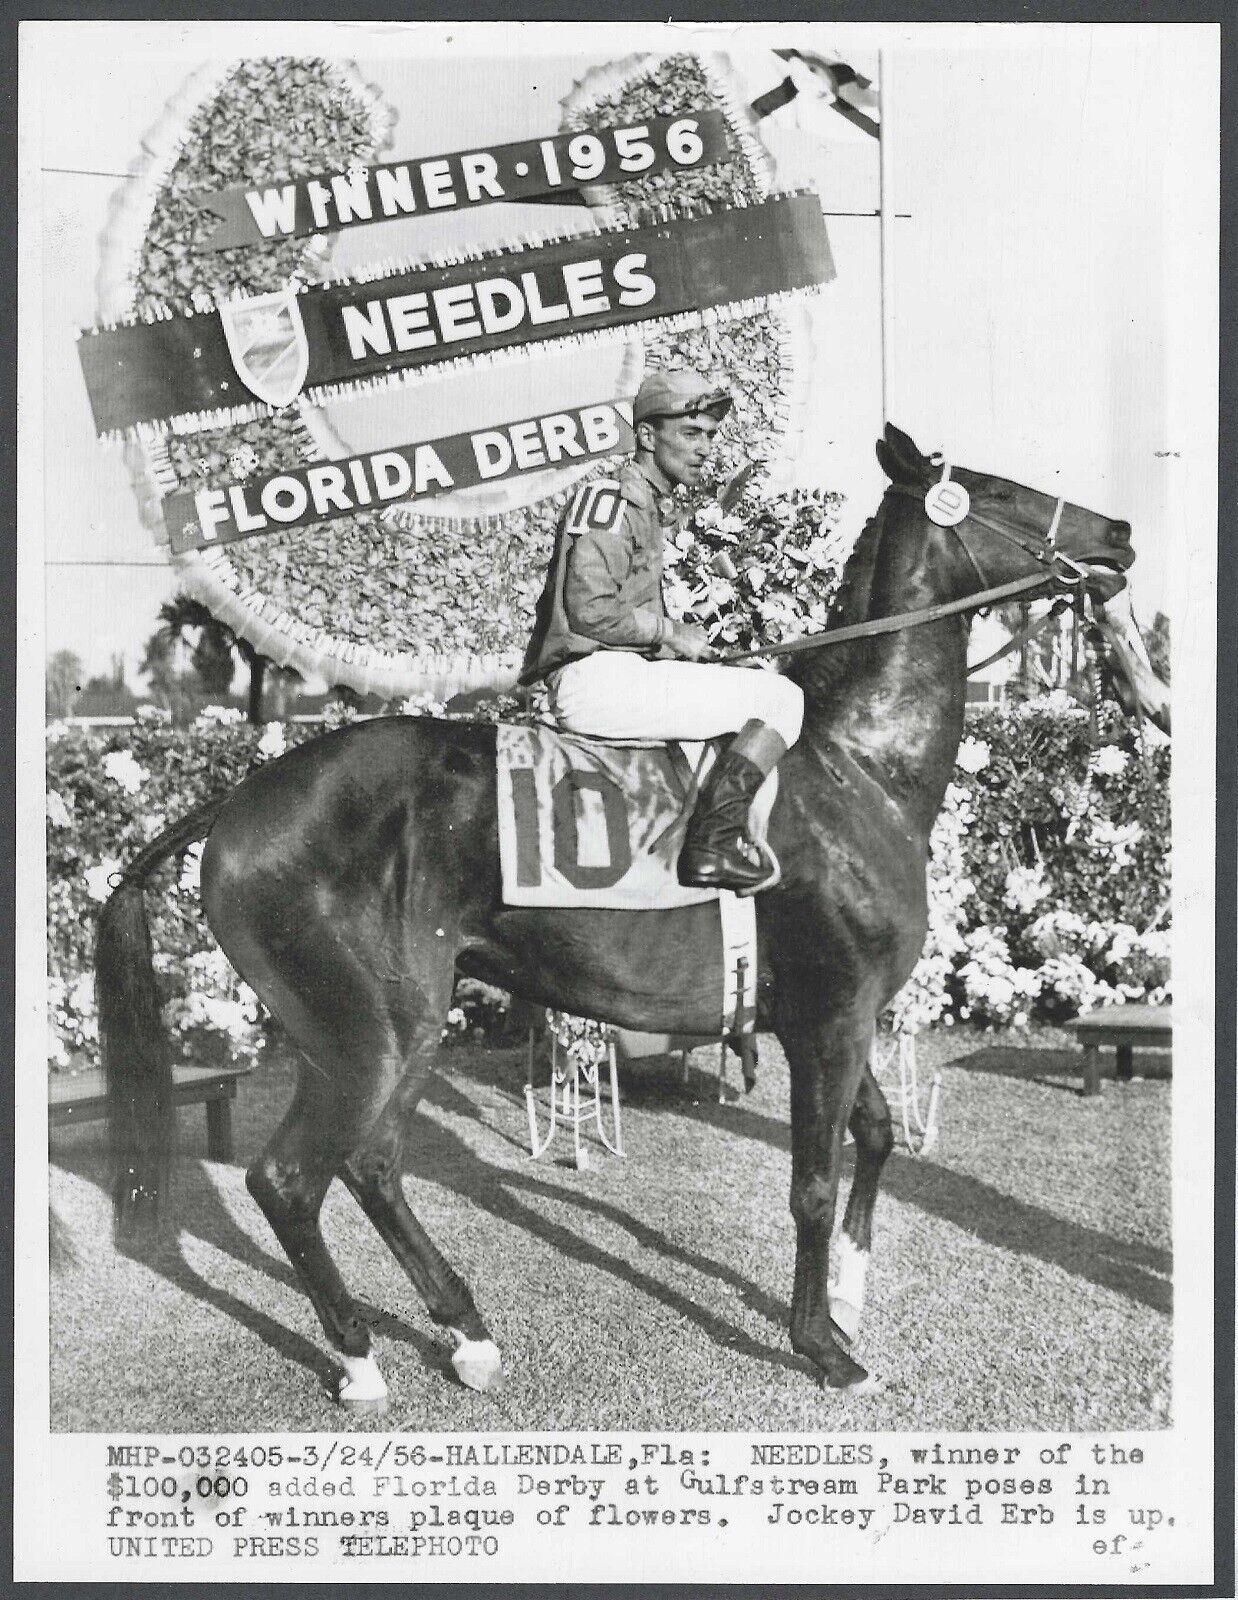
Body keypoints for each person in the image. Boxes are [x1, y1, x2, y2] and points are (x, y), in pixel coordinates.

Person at [519, 367, 805, 894]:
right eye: (690, 433)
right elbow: (590, 611)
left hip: (616, 673)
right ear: (648, 437)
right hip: (594, 680)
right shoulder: (610, 501)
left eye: (709, 436)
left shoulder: (648, 507)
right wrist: (671, 633)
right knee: (781, 700)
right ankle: (713, 847)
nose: (704, 449)